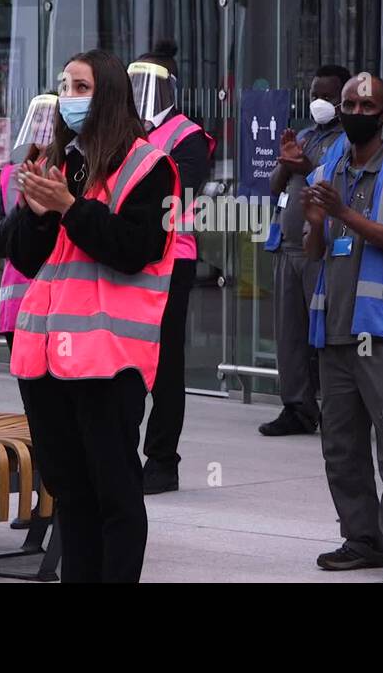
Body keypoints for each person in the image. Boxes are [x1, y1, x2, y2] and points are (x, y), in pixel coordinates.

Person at [4, 49, 179, 583]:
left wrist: (69, 209)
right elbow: (23, 257)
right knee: (70, 493)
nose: (66, 97)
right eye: (63, 85)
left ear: (107, 95)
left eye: (79, 86)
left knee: (114, 494)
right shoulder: (63, 162)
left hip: (108, 361)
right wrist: (35, 216)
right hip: (46, 360)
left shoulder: (151, 166)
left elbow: (137, 247)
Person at [302, 72, 383, 584]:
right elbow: (315, 248)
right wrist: (316, 219)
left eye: (366, 104)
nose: (356, 111)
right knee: (341, 444)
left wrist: (339, 213)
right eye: (349, 103)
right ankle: (362, 538)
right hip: (333, 327)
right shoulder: (330, 161)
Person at [128, 41, 217, 494]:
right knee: (124, 355)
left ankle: (162, 460)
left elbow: (174, 193)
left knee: (164, 361)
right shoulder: (124, 128)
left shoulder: (188, 135)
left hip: (171, 257)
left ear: (170, 88)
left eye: (150, 82)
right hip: (127, 251)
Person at [260, 64, 352, 436]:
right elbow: (275, 185)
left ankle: (335, 410)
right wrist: (287, 163)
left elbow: (340, 186)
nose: (320, 102)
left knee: (326, 333)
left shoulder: (348, 138)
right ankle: (296, 407)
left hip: (323, 249)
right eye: (315, 95)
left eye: (328, 96)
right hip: (288, 245)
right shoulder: (305, 133)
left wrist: (307, 165)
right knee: (290, 334)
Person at [0, 93, 59, 350]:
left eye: (51, 121)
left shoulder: (72, 174)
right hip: (18, 307)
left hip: (58, 309)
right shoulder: (12, 174)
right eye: (38, 120)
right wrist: (21, 208)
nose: (42, 127)